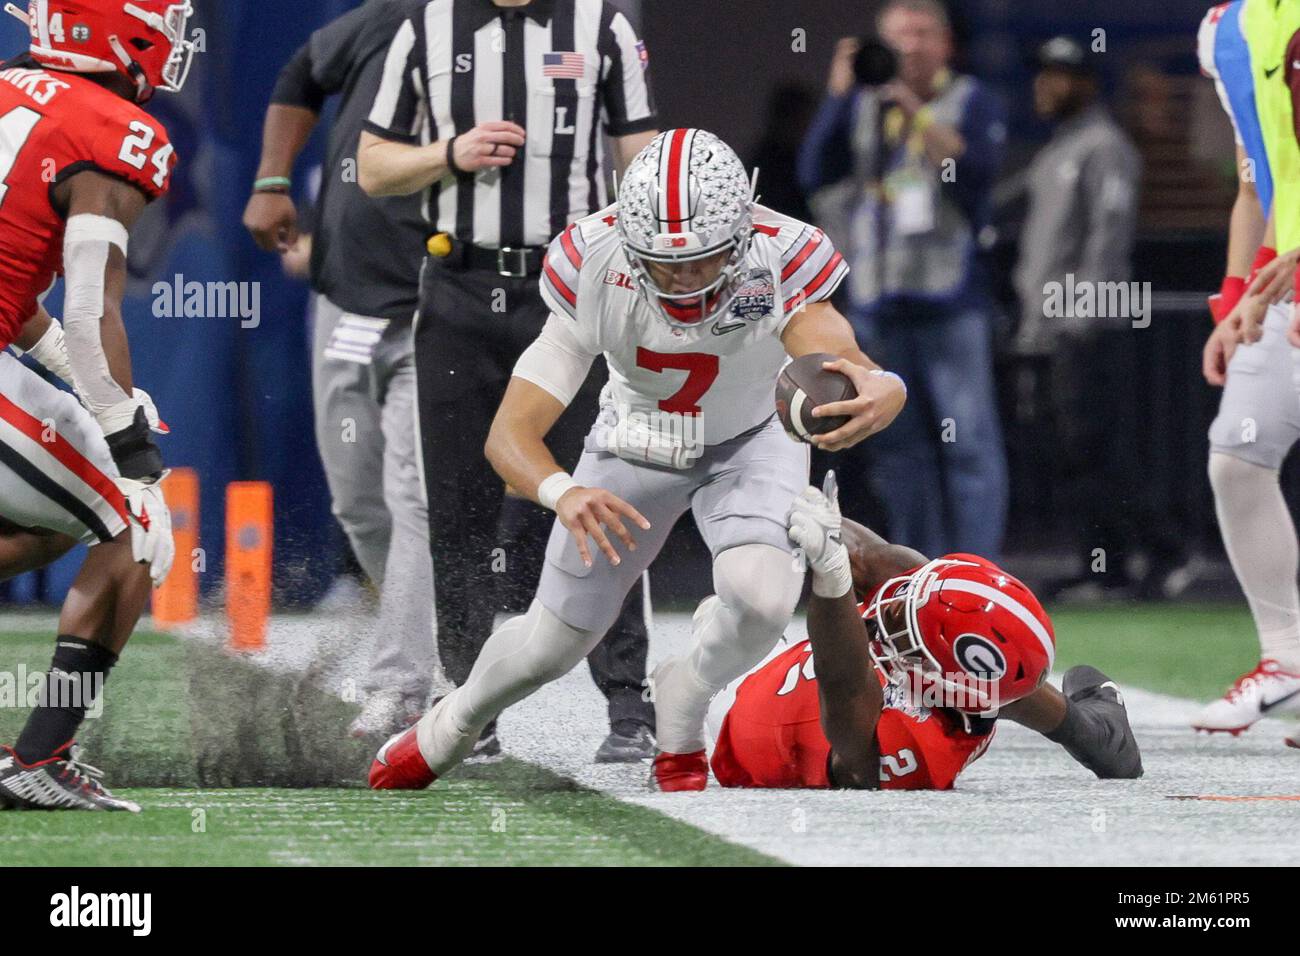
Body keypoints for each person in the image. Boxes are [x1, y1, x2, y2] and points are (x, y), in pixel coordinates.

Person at [368, 128, 908, 793]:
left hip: (750, 439)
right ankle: (452, 722)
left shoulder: (781, 256)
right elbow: (508, 437)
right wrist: (564, 492)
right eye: (662, 262)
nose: (681, 279)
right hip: (636, 438)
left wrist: (883, 384)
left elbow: (836, 360)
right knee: (549, 647)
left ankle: (686, 692)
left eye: (701, 261)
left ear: (741, 239)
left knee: (762, 600)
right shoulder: (593, 261)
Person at [357, 0, 661, 761]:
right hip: (460, 285)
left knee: (604, 487)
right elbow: (372, 167)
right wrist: (449, 154)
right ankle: (469, 704)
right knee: (458, 504)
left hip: (573, 292)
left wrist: (639, 273)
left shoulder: (602, 28)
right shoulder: (425, 29)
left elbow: (646, 163)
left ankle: (629, 705)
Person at [0, 0, 195, 811]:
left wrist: (78, 383)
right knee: (135, 521)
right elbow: (89, 312)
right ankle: (39, 758)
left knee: (49, 525)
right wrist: (131, 447)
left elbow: (28, 305)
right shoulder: (113, 132)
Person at [243, 0, 441, 740]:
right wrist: (270, 180)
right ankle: (436, 644)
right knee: (360, 502)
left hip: (440, 306)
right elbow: (302, 70)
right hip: (348, 300)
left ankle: (400, 683)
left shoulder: (534, 46)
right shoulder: (395, 19)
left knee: (413, 494)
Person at [710, 474, 1143, 790]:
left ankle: (1097, 736)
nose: (890, 606)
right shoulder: (965, 676)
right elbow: (866, 554)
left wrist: (831, 574)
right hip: (812, 675)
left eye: (902, 621)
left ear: (937, 677)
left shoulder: (914, 749)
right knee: (1024, 696)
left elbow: (841, 682)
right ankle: (1099, 734)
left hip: (730, 725)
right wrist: (814, 517)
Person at [797, 0, 1008, 562]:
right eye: (897, 37)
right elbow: (815, 173)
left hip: (950, 298)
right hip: (877, 298)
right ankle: (918, 566)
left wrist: (912, 107)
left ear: (944, 44)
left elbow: (977, 175)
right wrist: (840, 97)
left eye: (921, 34)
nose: (909, 47)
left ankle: (975, 568)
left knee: (968, 443)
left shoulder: (970, 99)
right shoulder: (863, 104)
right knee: (898, 447)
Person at [1010, 37, 1186, 602]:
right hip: (1049, 326)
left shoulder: (1104, 146)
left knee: (1096, 448)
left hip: (1086, 326)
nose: (1043, 86)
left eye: (1057, 76)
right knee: (1072, 451)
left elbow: (1108, 243)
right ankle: (1104, 563)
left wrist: (1078, 320)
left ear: (1086, 83)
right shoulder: (1057, 150)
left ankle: (1158, 551)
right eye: (1041, 75)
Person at [1204, 0, 1300, 740]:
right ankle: (1288, 660)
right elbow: (1263, 174)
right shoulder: (1230, 31)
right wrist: (1241, 294)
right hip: (1286, 273)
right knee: (1238, 457)